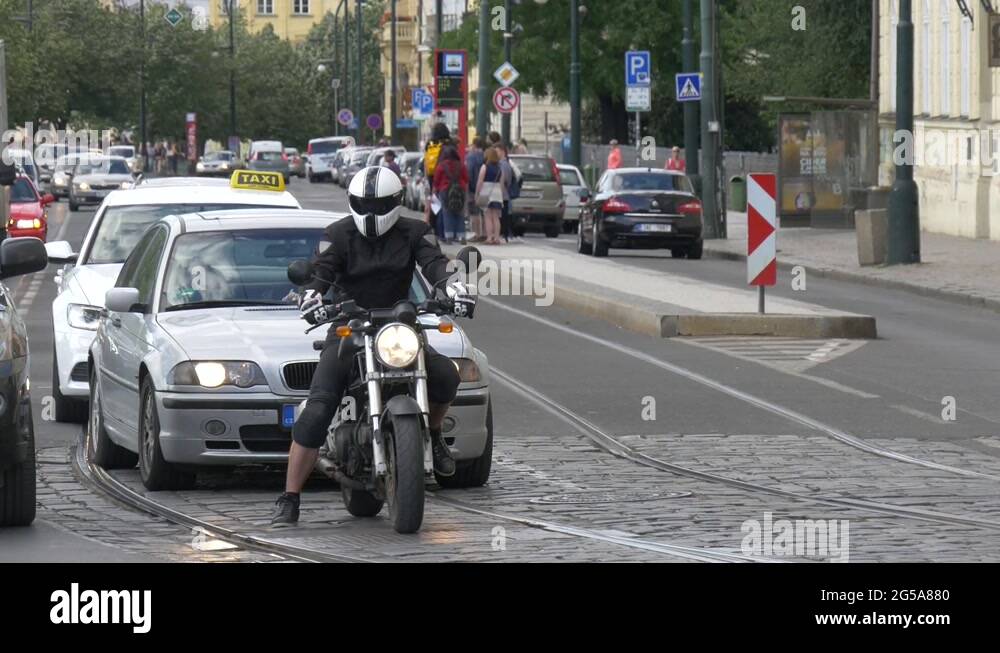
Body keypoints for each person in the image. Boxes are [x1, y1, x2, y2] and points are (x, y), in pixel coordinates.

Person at [271, 166, 477, 527]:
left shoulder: (416, 231)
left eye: (378, 205)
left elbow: (435, 265)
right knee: (319, 406)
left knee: (445, 374)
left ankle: (432, 433)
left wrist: (452, 288)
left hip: (399, 325)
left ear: (395, 203)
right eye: (362, 204)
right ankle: (289, 497)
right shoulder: (338, 234)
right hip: (349, 327)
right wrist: (311, 295)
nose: (370, 213)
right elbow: (322, 271)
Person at [432, 144, 468, 244]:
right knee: (460, 212)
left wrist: (434, 192)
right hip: (460, 190)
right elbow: (466, 178)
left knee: (447, 213)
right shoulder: (461, 165)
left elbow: (436, 180)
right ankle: (462, 236)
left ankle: (449, 236)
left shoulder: (442, 166)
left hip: (445, 190)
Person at [424, 122, 453, 238]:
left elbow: (426, 163)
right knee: (446, 206)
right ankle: (444, 231)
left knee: (436, 205)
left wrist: (427, 179)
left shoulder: (430, 144)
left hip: (432, 177)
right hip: (445, 178)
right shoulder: (449, 144)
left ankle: (435, 229)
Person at [476, 147, 507, 245]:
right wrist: (500, 195)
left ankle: (489, 237)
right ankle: (497, 237)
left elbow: (480, 181)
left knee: (488, 216)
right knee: (496, 217)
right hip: (497, 193)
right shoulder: (499, 168)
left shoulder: (485, 167)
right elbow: (502, 183)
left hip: (486, 192)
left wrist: (477, 193)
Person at [465, 137, 486, 242]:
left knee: (474, 213)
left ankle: (476, 234)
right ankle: (484, 233)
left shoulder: (471, 157)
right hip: (485, 187)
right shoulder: (486, 156)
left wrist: (470, 186)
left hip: (473, 188)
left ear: (474, 145)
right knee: (484, 212)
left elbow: (469, 172)